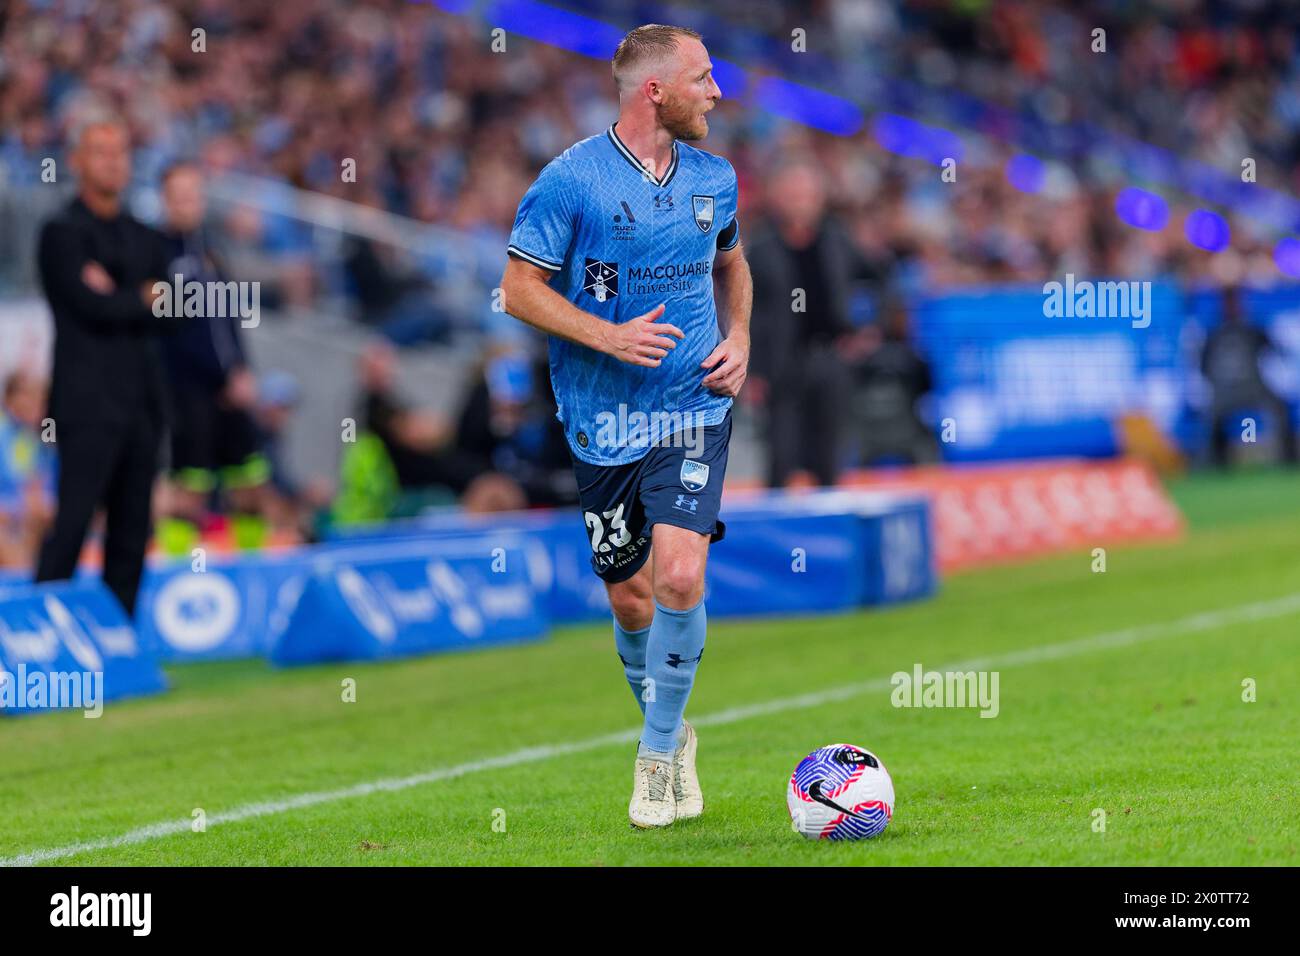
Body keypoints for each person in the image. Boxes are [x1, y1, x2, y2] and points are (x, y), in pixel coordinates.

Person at [500, 24, 752, 828]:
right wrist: (608, 335)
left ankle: (653, 754)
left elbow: (733, 264)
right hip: (600, 419)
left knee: (681, 578)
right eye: (703, 78)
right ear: (656, 91)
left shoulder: (716, 178)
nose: (716, 91)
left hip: (693, 407)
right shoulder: (569, 182)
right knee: (632, 597)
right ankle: (676, 734)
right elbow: (517, 290)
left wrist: (740, 337)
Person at [34, 117, 171, 615]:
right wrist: (139, 298)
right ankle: (38, 640)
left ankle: (118, 641)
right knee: (71, 525)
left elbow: (171, 309)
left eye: (120, 152)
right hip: (87, 406)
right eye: (100, 151)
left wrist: (121, 295)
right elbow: (90, 306)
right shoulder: (61, 232)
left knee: (133, 532)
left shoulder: (143, 234)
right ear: (76, 161)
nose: (113, 162)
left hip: (142, 404)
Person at [154, 161, 271, 554]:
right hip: (188, 390)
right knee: (191, 486)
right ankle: (177, 566)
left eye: (194, 195)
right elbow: (173, 331)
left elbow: (228, 322)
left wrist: (241, 371)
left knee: (250, 481)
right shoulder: (157, 256)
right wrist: (221, 376)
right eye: (180, 196)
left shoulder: (211, 253)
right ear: (165, 201)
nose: (189, 204)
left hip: (231, 387)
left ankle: (251, 561)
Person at [747, 157, 881, 487]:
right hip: (781, 366)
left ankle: (830, 533)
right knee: (781, 456)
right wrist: (752, 372)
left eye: (806, 194)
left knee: (830, 455)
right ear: (776, 197)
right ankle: (781, 533)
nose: (800, 202)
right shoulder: (761, 249)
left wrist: (866, 329)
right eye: (792, 194)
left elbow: (878, 278)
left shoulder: (837, 241)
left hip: (830, 359)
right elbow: (745, 312)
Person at [1201, 285, 1297, 466]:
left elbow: (1276, 350)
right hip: (1227, 391)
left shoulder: (1251, 329)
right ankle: (1214, 463)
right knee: (1210, 420)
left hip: (1254, 387)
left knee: (1280, 410)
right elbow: (1203, 365)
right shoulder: (1215, 333)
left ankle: (1287, 460)